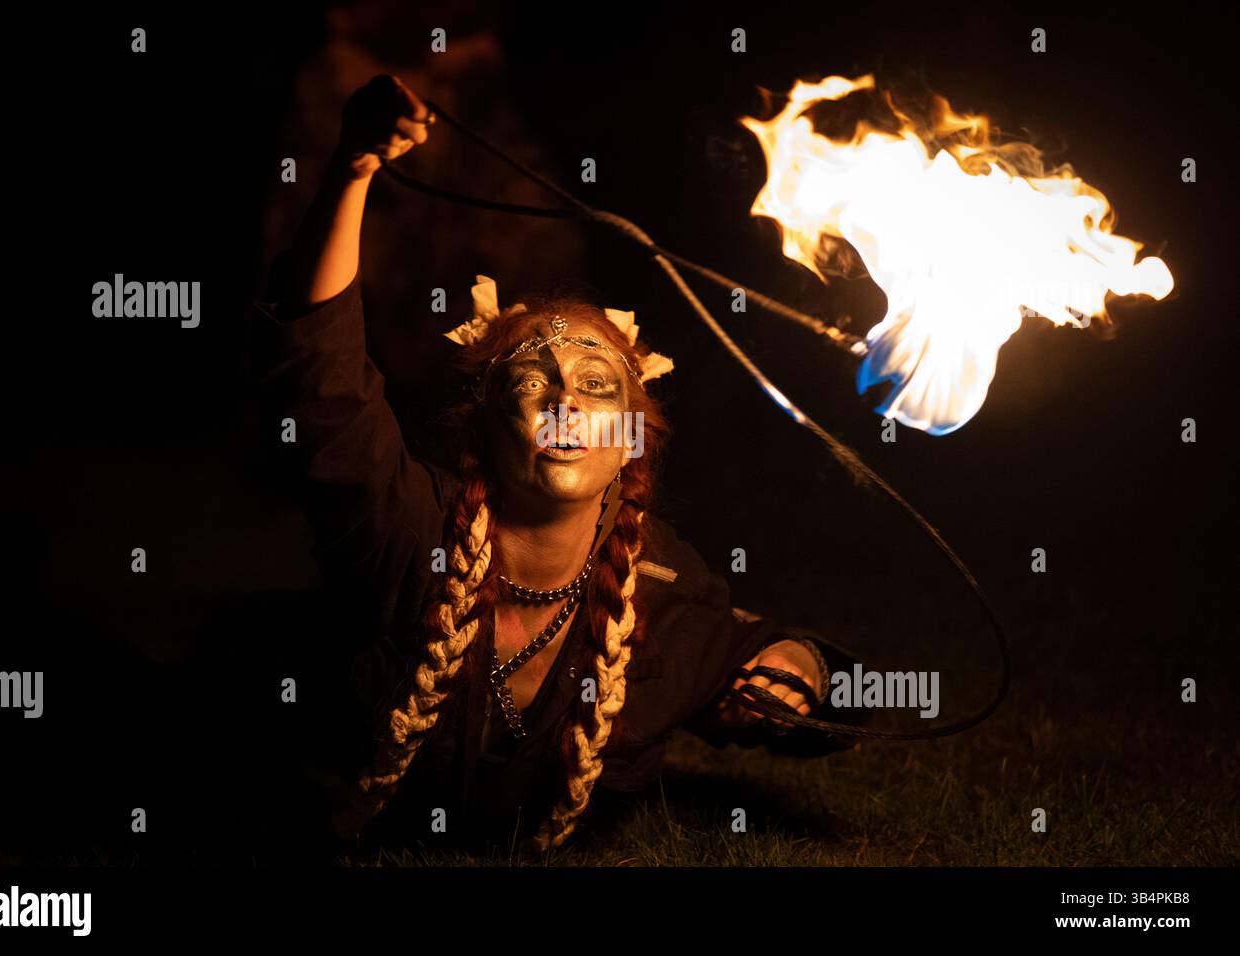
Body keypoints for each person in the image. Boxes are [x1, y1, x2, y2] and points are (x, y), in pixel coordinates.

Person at [251, 74, 867, 856]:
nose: (565, 403)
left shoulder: (666, 596)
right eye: (532, 383)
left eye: (596, 387)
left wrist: (795, 666)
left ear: (631, 438)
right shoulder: (406, 527)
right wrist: (354, 168)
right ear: (485, 428)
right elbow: (319, 378)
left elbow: (811, 680)